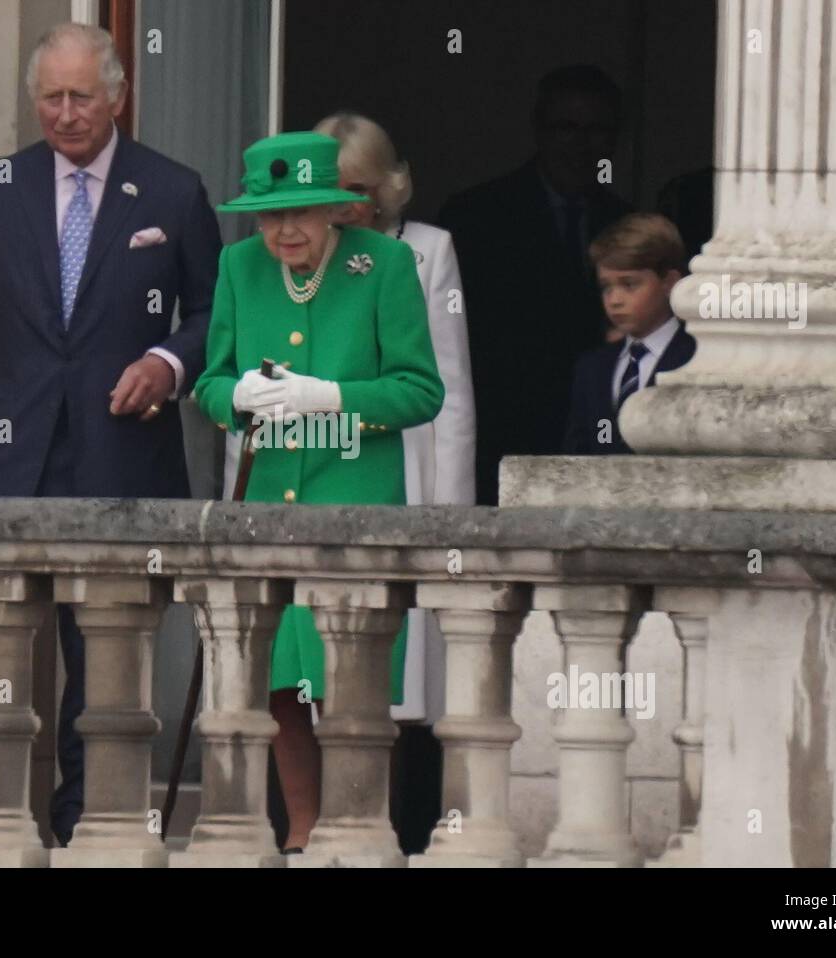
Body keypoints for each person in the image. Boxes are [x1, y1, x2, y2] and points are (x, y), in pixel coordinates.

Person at [0, 22, 222, 847]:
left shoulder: (172, 191)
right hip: (4, 450)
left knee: (106, 654)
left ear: (118, 94)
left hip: (120, 450)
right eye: (49, 97)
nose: (63, 113)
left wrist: (167, 362)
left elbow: (212, 314)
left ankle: (95, 823)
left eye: (79, 96)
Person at [194, 131, 444, 853]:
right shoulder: (238, 265)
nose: (285, 231)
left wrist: (329, 395)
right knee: (280, 678)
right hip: (270, 502)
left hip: (354, 500)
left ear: (336, 208)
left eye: (300, 213)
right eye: (270, 217)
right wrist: (235, 397)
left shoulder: (385, 265)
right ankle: (303, 836)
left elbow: (421, 391)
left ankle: (359, 830)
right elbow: (211, 381)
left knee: (349, 678)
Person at [313, 111, 475, 851]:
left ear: (386, 189)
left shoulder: (428, 250)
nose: (345, 203)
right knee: (311, 665)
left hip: (403, 473)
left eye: (358, 188)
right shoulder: (293, 248)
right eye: (333, 187)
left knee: (403, 672)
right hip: (313, 469)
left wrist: (448, 517)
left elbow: (450, 390)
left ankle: (398, 831)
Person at [440, 64, 633, 504]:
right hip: (502, 435)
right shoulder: (477, 215)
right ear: (539, 130)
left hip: (597, 441)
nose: (582, 143)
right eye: (567, 127)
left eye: (597, 129)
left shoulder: (627, 221)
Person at [563, 213, 696, 454]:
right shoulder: (593, 368)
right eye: (606, 287)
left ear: (669, 283)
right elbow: (577, 455)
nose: (614, 300)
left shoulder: (696, 359)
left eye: (629, 284)